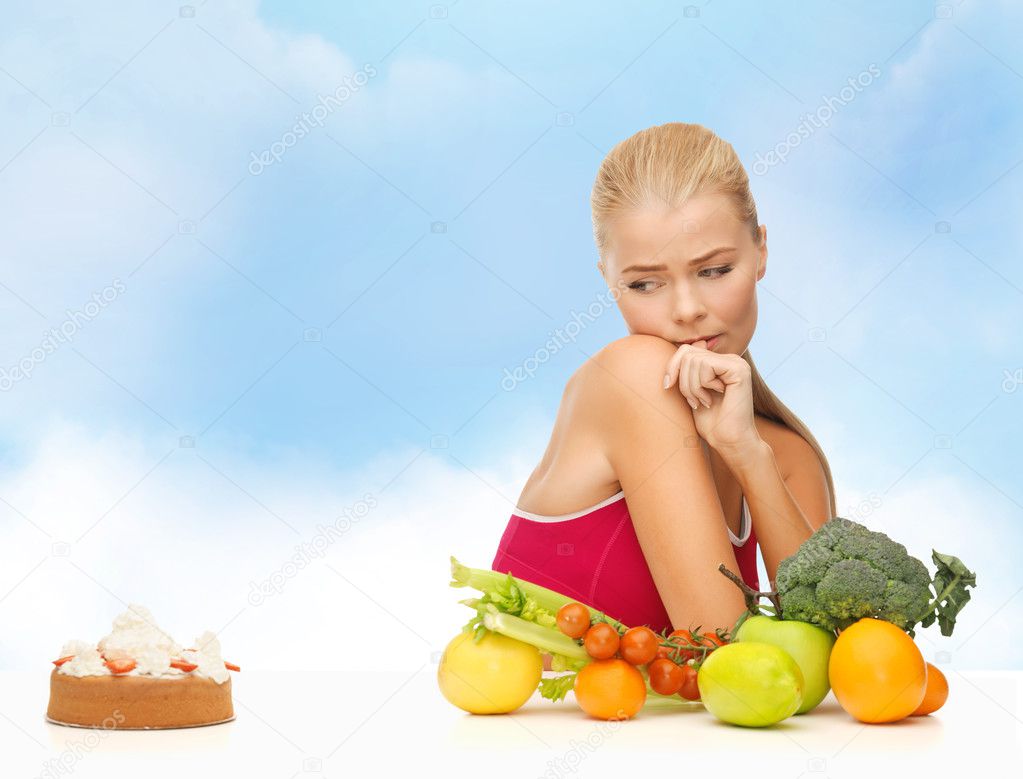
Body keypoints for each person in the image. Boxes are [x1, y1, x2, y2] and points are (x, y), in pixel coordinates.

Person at [490, 122, 836, 657]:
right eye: (645, 284)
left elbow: (838, 655)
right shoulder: (632, 375)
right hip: (531, 731)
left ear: (761, 251)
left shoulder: (781, 451)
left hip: (682, 741)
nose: (686, 309)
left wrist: (747, 453)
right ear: (608, 279)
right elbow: (725, 654)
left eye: (715, 270)